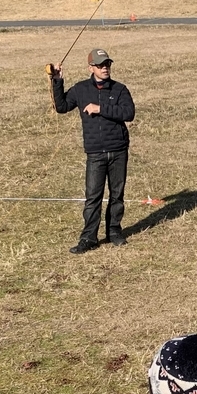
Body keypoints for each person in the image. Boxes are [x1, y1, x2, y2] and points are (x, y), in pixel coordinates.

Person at [51, 48, 136, 254]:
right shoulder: (80, 90)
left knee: (117, 195)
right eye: (100, 65)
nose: (105, 68)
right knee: (93, 197)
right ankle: (89, 238)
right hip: (95, 153)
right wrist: (57, 81)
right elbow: (61, 107)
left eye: (107, 64)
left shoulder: (119, 89)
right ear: (91, 68)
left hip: (118, 149)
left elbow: (129, 113)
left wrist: (100, 108)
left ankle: (114, 232)